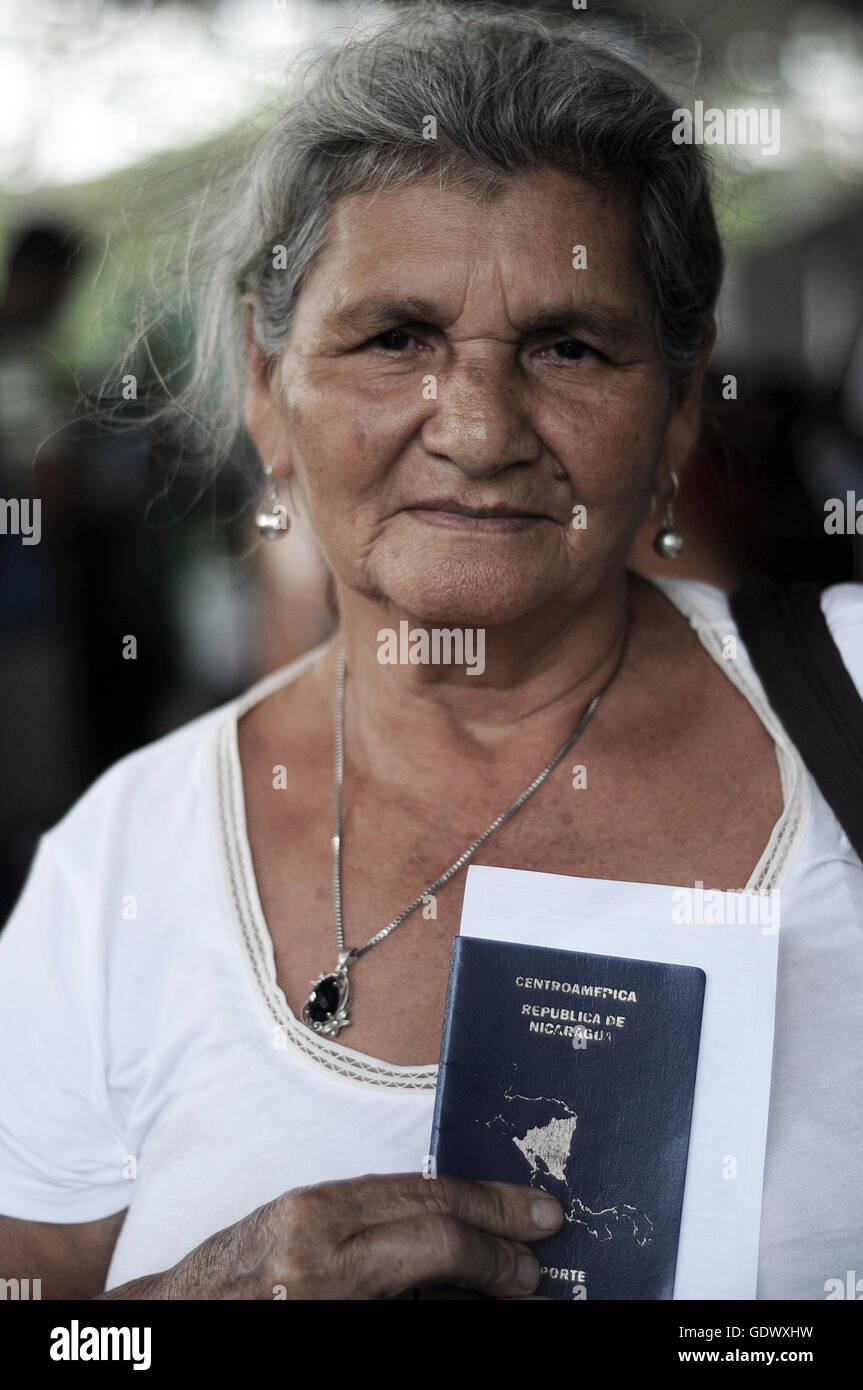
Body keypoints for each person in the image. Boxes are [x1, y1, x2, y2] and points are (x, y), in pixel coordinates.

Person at [1, 5, 861, 1301]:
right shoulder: (122, 863)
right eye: (395, 337)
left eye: (569, 345)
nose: (475, 425)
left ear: (680, 402)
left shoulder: (847, 700)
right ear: (261, 379)